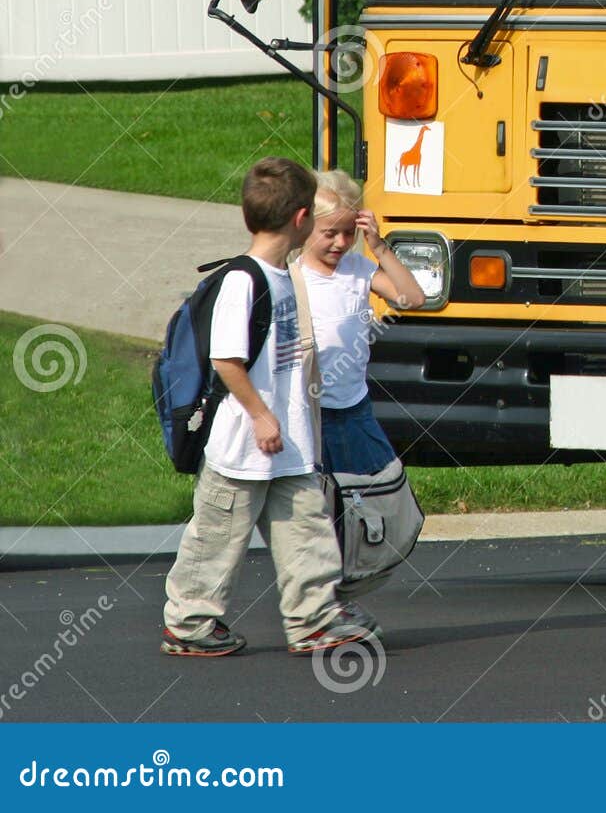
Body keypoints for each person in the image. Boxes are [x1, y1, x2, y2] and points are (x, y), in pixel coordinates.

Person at [162, 157, 376, 657]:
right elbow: (226, 359)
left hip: (289, 442)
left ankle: (313, 620)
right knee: (216, 540)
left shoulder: (281, 275)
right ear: (301, 219)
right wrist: (261, 415)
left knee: (308, 534)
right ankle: (189, 624)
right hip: (242, 445)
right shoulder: (244, 279)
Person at [297, 169, 426, 624]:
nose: (339, 243)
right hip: (311, 416)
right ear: (304, 227)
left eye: (348, 233)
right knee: (322, 512)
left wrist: (379, 247)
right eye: (329, 233)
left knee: (377, 497)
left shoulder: (359, 269)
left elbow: (412, 298)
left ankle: (342, 591)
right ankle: (325, 602)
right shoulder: (293, 278)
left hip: (355, 411)